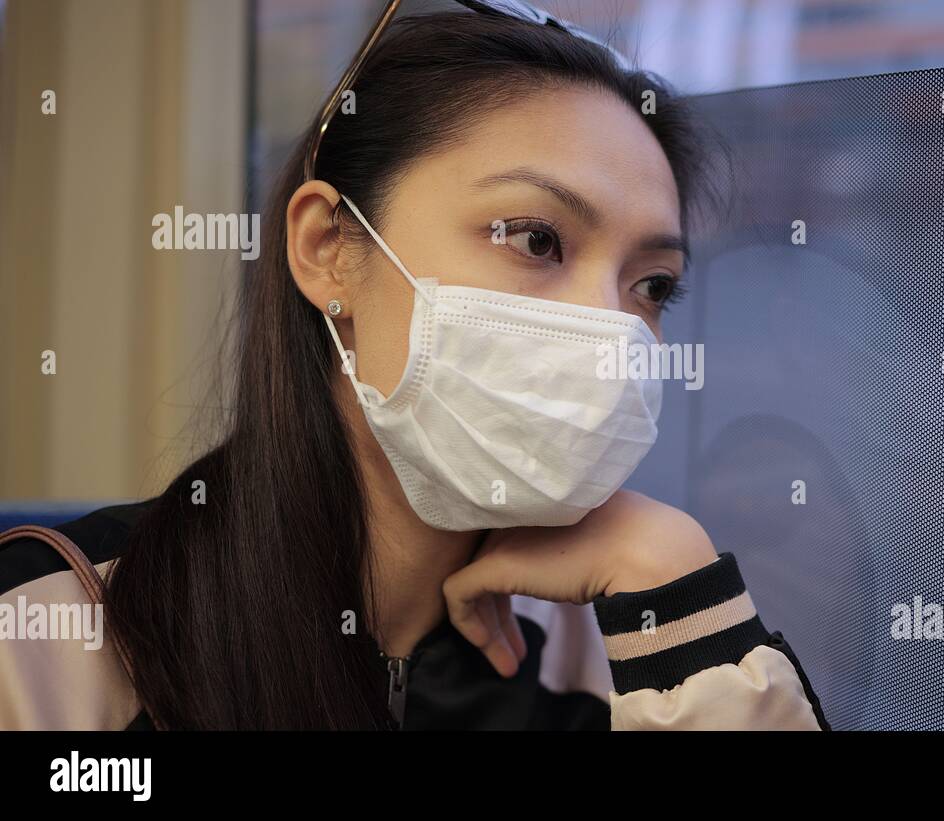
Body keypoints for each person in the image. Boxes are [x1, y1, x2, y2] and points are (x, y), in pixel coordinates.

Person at [0, 3, 828, 731]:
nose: (609, 329)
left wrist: (676, 593)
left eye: (653, 286)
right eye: (536, 239)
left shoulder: (621, 641)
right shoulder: (46, 637)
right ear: (329, 250)